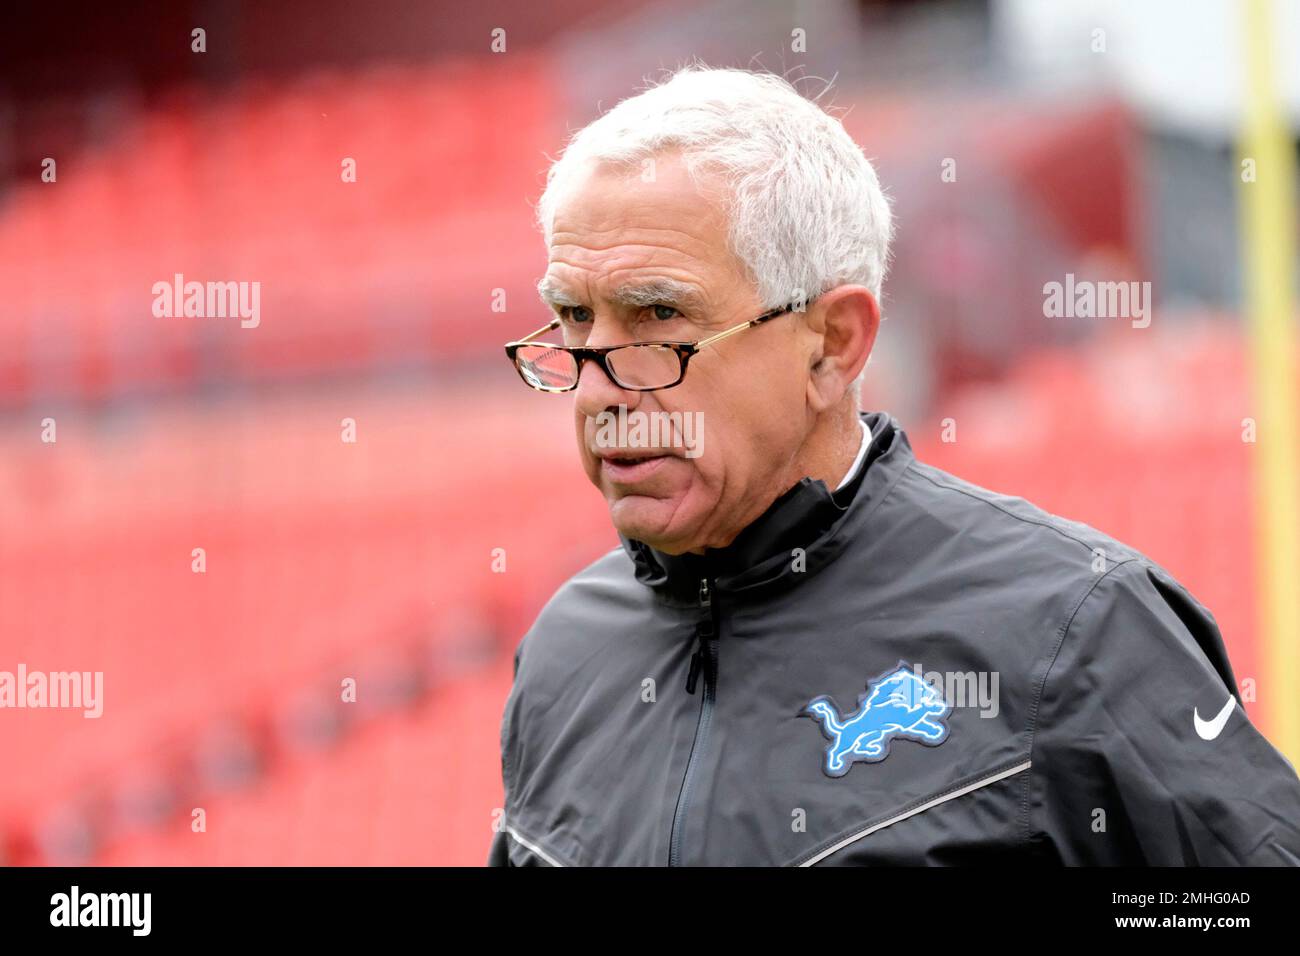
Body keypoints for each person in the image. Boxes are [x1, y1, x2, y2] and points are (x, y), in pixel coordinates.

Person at [490, 66, 1300, 866]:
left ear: (833, 344)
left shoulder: (1075, 630)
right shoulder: (565, 650)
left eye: (658, 316)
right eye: (574, 318)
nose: (597, 387)